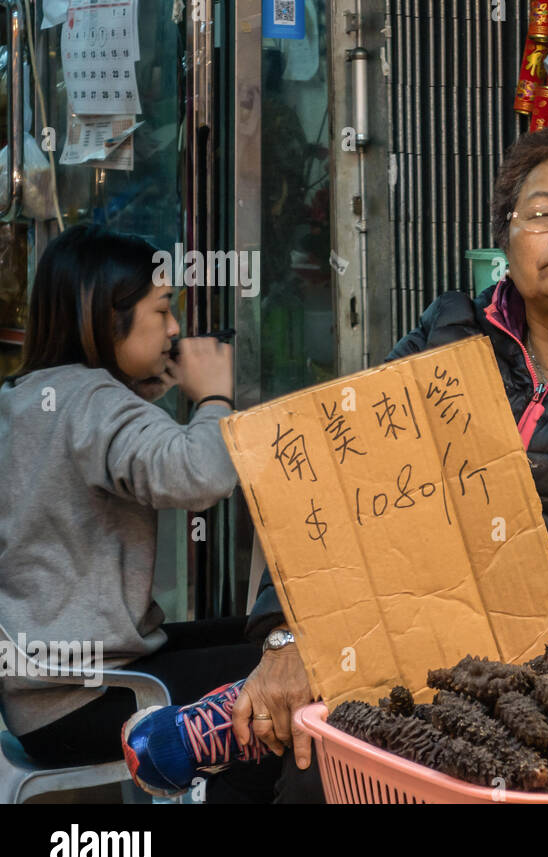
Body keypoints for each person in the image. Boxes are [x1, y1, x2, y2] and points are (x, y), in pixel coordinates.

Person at [217, 113, 548, 772]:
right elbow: (326, 483)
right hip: (400, 651)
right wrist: (289, 633)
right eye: (542, 215)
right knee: (278, 754)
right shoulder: (448, 332)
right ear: (506, 238)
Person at [0, 224, 318, 802]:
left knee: (264, 633)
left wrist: (149, 395)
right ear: (107, 316)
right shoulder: (94, 401)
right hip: (91, 702)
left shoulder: (25, 396)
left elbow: (92, 454)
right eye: (163, 309)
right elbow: (199, 476)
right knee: (285, 677)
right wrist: (213, 396)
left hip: (37, 698)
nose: (174, 329)